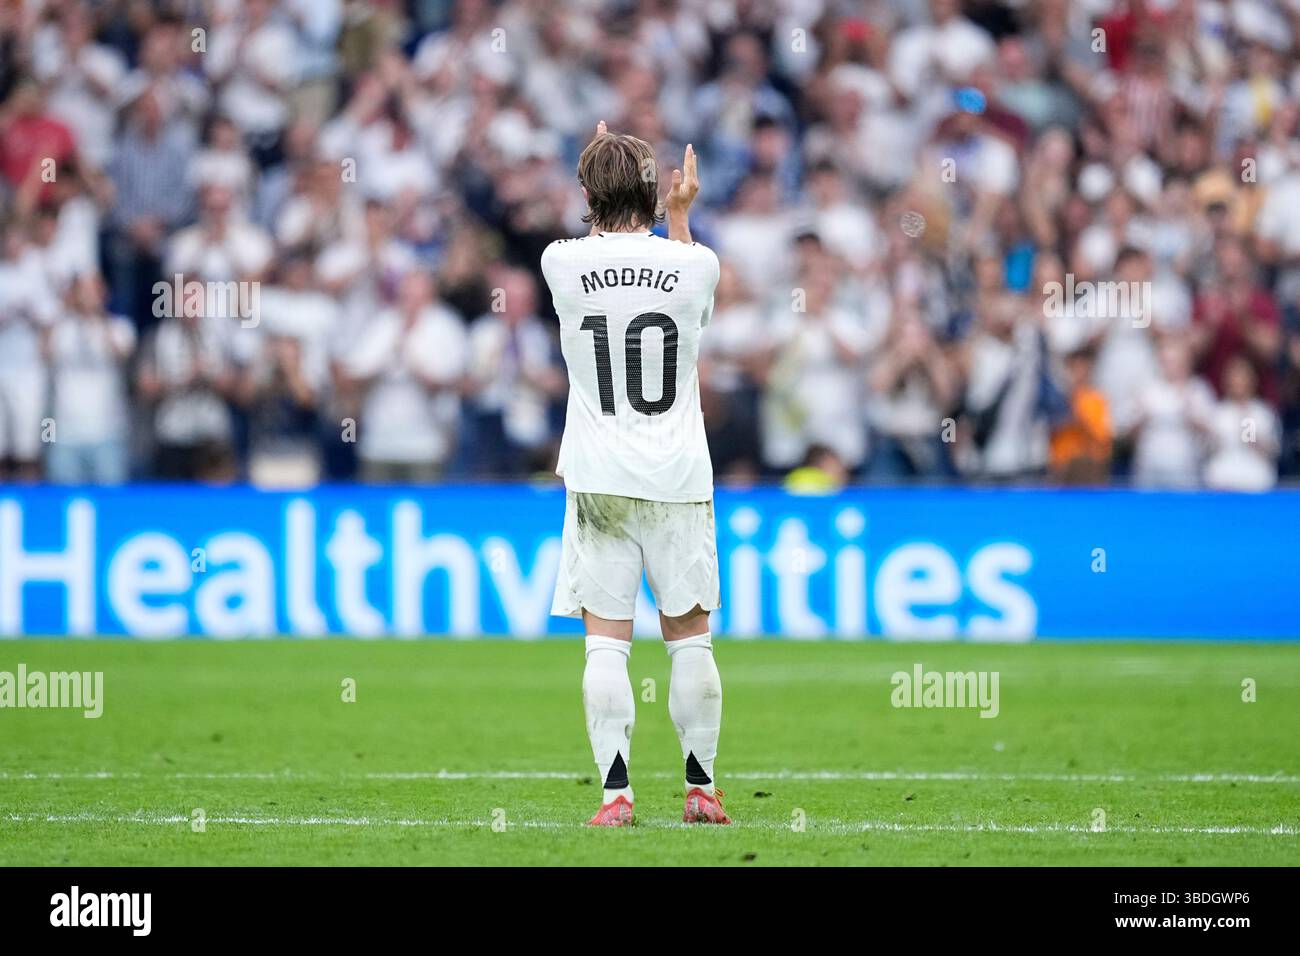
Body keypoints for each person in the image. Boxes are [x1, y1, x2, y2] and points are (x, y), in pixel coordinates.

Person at [542, 123, 728, 827]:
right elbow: (690, 294)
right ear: (655, 193)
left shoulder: (560, 262)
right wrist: (679, 217)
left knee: (606, 642)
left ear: (585, 192)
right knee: (690, 638)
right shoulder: (698, 263)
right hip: (678, 473)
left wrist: (599, 160)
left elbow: (595, 244)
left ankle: (616, 796)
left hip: (598, 475)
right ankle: (701, 788)